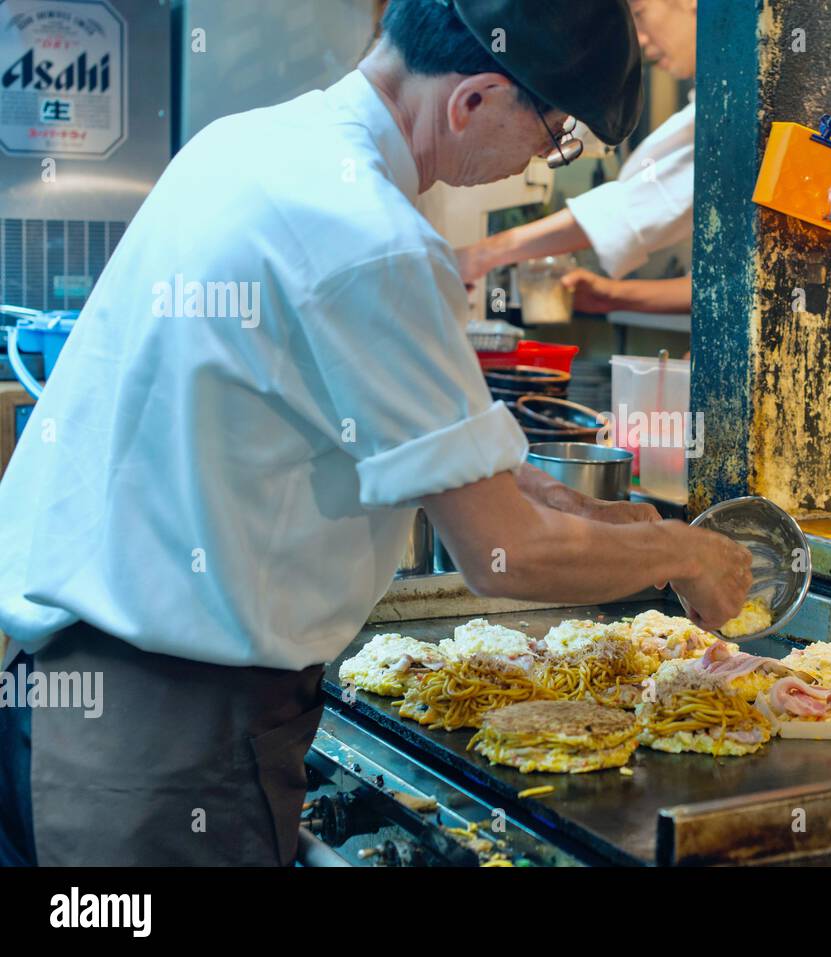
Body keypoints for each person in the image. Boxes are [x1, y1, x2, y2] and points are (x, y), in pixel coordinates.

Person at [0, 0, 751, 867]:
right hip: (167, 752)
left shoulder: (247, 146)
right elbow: (505, 553)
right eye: (552, 135)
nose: (540, 160)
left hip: (60, 701)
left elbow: (448, 459)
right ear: (474, 100)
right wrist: (689, 557)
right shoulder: (375, 240)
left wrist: (627, 525)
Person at [456, 0, 831, 316]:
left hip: (830, 340)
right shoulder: (740, 96)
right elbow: (750, 283)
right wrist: (609, 295)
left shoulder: (746, 104)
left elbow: (629, 208)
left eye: (640, 14)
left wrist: (481, 255)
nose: (640, 41)